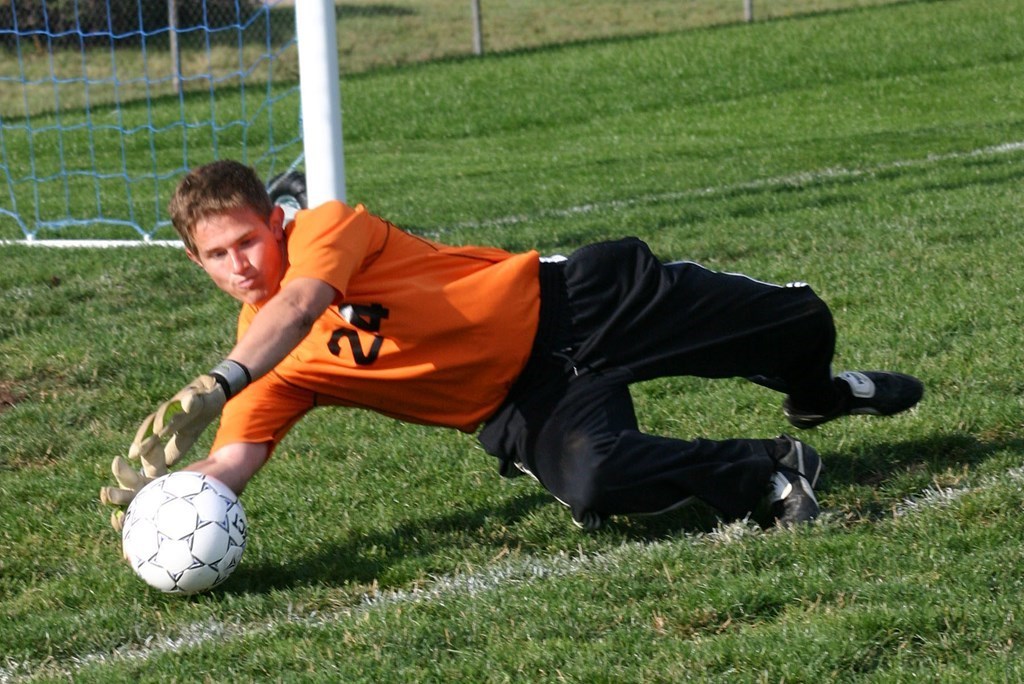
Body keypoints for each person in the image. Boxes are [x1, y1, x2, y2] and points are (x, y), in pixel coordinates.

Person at [99, 160, 924, 532]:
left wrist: (221, 376)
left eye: (246, 240)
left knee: (801, 321)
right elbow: (232, 465)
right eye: (217, 254)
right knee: (600, 484)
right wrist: (160, 494)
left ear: (273, 223)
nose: (239, 265)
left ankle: (818, 392)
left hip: (580, 306)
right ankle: (771, 469)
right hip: (523, 403)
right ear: (193, 259)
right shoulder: (270, 361)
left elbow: (304, 301)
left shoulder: (324, 228)